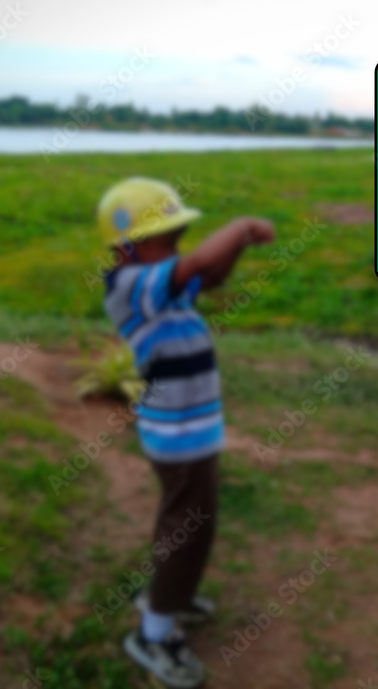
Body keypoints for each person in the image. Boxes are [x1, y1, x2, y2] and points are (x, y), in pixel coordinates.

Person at [97, 176, 275, 687]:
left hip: (189, 433)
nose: (178, 248)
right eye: (167, 239)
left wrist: (235, 249)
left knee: (189, 521)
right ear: (127, 247)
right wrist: (240, 226)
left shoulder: (159, 285)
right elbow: (198, 264)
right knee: (189, 529)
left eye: (180, 237)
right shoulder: (131, 287)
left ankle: (168, 593)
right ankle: (154, 632)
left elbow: (210, 276)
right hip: (177, 437)